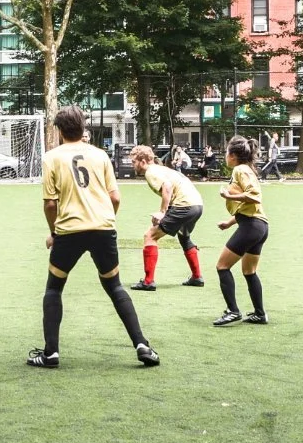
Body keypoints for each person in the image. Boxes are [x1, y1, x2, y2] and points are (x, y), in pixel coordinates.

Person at [29, 106, 159, 369]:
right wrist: (106, 222)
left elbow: (50, 204)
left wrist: (54, 232)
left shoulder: (51, 157)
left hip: (69, 232)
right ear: (83, 127)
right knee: (115, 287)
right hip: (103, 229)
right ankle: (142, 344)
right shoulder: (100, 156)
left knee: (54, 288)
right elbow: (115, 197)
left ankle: (51, 353)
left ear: (59, 130)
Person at [126, 144, 206, 291]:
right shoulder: (160, 169)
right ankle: (197, 277)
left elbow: (167, 187)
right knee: (184, 237)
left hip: (184, 205)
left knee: (150, 236)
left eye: (134, 162)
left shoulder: (150, 171)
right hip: (197, 205)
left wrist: (162, 212)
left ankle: (148, 282)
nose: (133, 165)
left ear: (143, 161)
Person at [210, 136, 270, 327]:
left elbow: (254, 196)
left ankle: (233, 311)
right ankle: (260, 314)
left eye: (226, 153)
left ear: (233, 156)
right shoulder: (246, 169)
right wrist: (229, 222)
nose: (225, 157)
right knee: (249, 271)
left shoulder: (239, 169)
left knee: (222, 266)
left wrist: (227, 194)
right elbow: (247, 208)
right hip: (259, 226)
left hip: (251, 226)